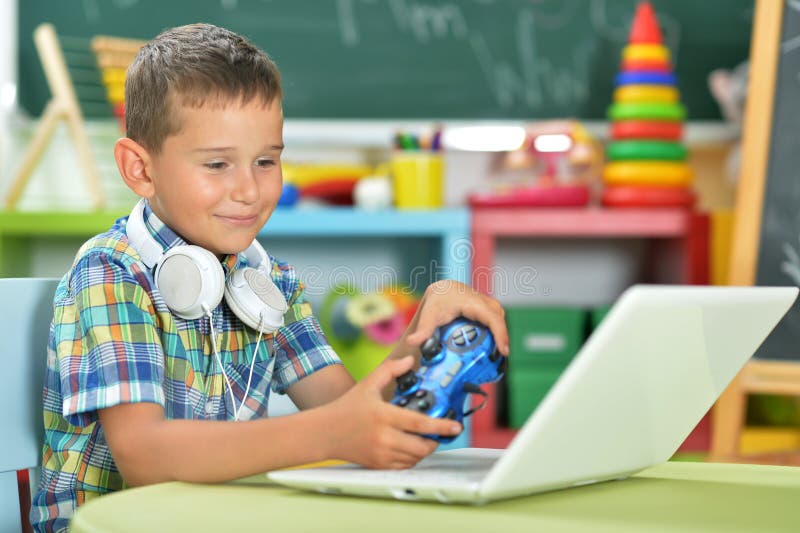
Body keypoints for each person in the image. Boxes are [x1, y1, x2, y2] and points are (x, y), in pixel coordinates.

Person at [30, 23, 509, 532]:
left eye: (266, 161)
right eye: (217, 164)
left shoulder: (266, 282)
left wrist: (423, 336)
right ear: (141, 170)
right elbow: (145, 456)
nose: (250, 190)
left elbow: (348, 411)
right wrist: (330, 434)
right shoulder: (110, 274)